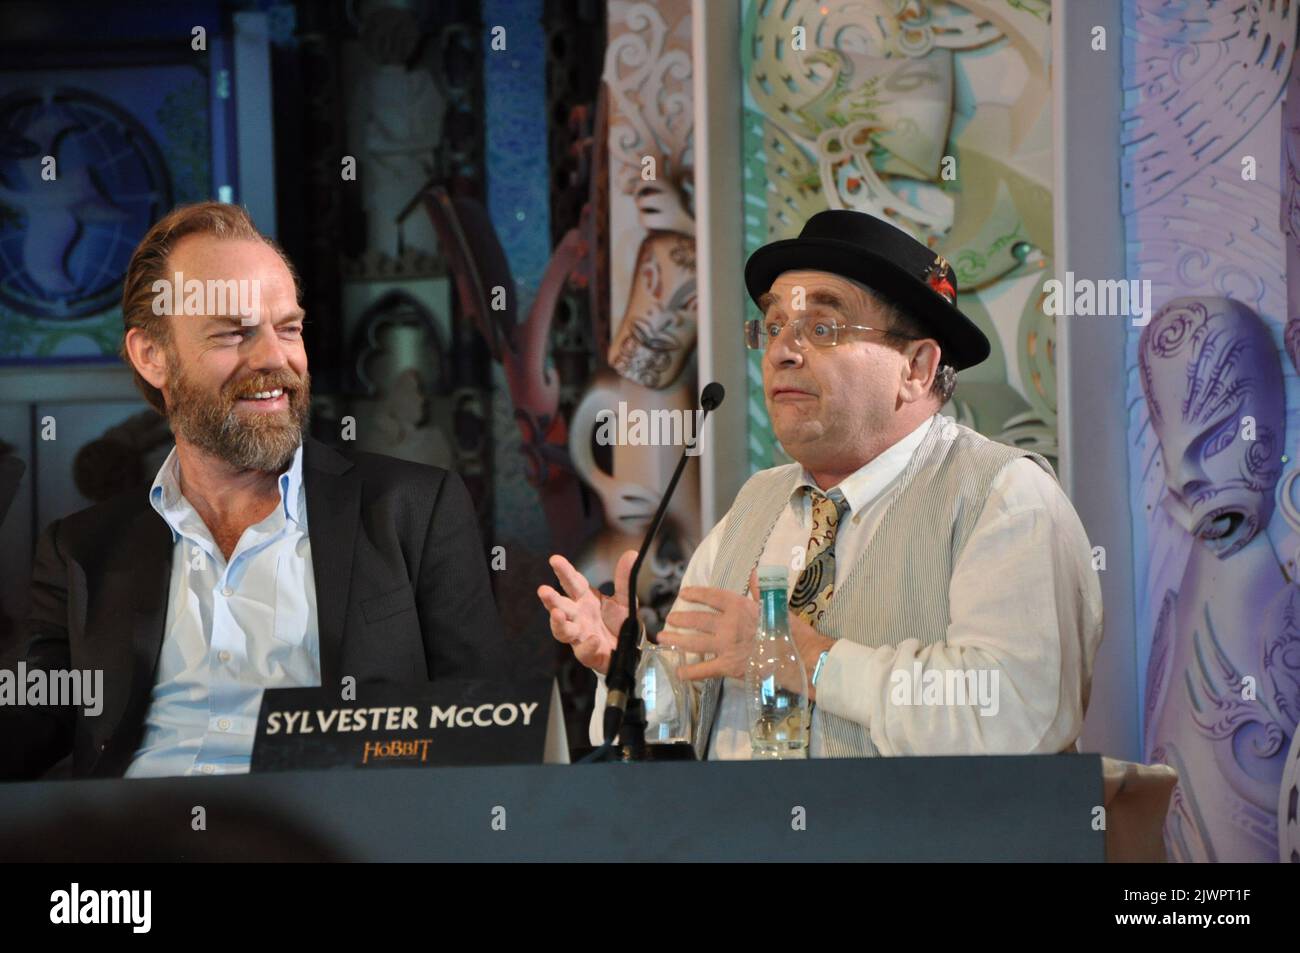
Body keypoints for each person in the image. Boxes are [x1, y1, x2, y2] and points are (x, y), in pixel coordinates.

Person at [539, 209, 1102, 759]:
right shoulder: (756, 506)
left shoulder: (1003, 497)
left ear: (917, 368)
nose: (782, 351)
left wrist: (810, 660)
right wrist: (628, 670)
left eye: (823, 328)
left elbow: (1017, 714)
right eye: (776, 325)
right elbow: (692, 721)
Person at [0, 202, 506, 780]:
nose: (274, 358)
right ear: (152, 356)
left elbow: (485, 732)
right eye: (234, 333)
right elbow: (21, 730)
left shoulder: (413, 510)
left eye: (288, 328)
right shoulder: (81, 551)